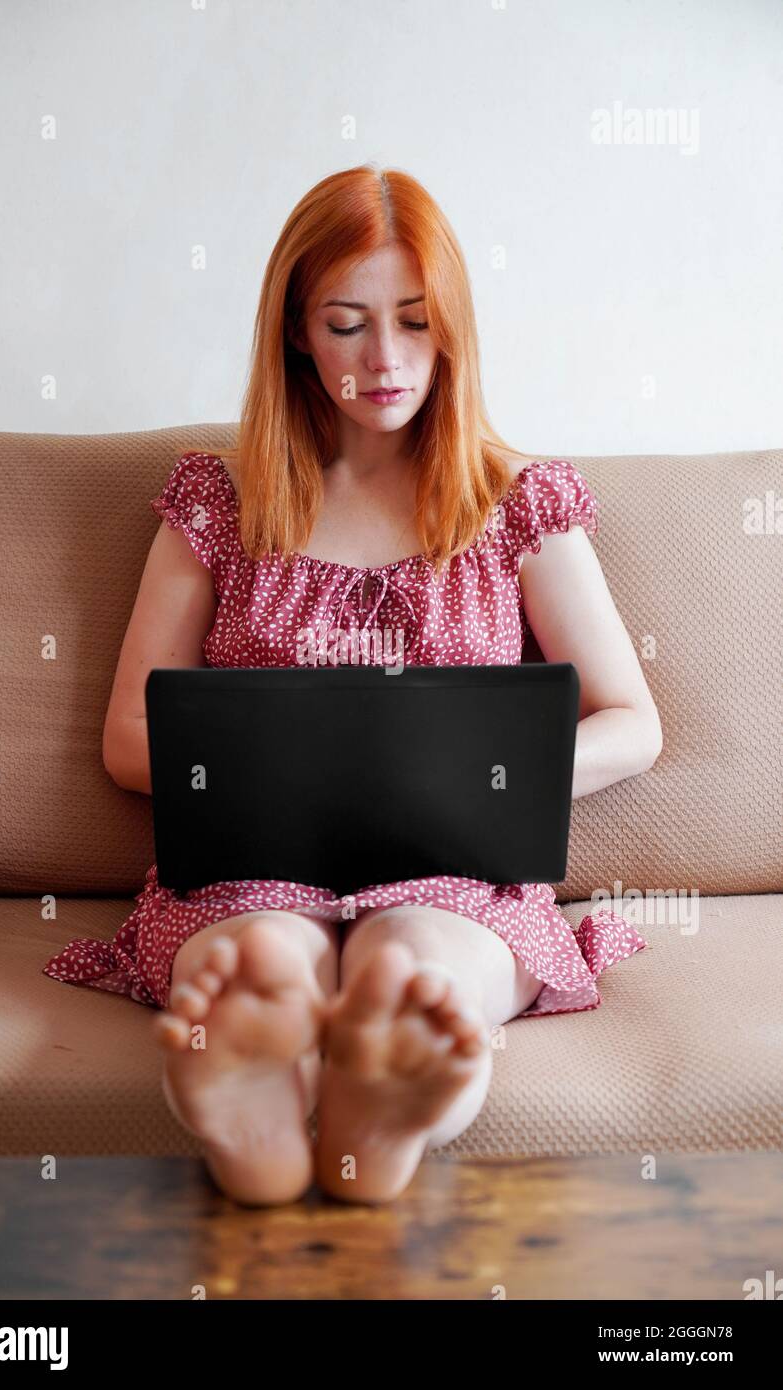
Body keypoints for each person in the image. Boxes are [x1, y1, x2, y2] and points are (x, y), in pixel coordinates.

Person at [44, 164, 662, 1208]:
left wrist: (482, 770)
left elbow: (632, 723)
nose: (384, 359)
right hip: (252, 863)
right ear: (294, 330)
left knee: (411, 966)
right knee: (263, 961)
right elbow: (126, 738)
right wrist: (283, 771)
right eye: (345, 324)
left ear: (451, 326)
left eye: (414, 322)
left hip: (452, 873)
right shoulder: (219, 501)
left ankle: (380, 1104)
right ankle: (256, 1112)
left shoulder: (514, 505)